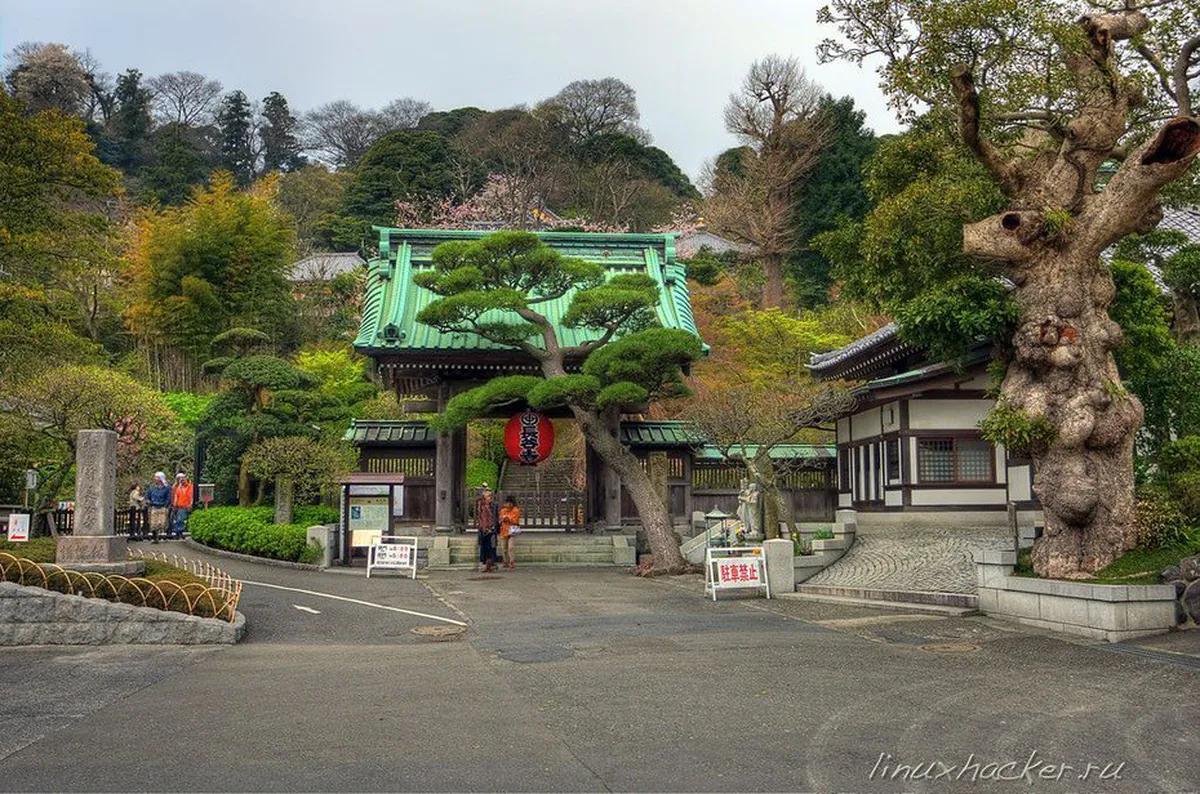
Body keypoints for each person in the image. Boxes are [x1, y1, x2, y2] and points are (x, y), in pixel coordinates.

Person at [474, 485, 500, 572]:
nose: (490, 498)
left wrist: (495, 527)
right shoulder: (481, 506)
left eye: (491, 496)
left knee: (492, 546)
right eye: (488, 496)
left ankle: (492, 563)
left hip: (492, 529)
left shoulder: (494, 505)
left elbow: (495, 517)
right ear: (484, 498)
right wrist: (485, 528)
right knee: (484, 547)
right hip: (484, 529)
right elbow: (481, 519)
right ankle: (484, 563)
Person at [145, 472, 171, 544]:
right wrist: (148, 501)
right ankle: (155, 538)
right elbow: (147, 496)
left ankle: (160, 535)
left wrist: (166, 505)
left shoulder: (167, 488)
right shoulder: (152, 487)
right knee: (153, 523)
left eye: (157, 477)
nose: (155, 479)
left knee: (161, 523)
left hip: (162, 507)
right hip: (154, 506)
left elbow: (168, 497)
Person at [498, 495, 521, 570]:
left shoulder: (516, 510)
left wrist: (508, 519)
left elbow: (516, 520)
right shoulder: (503, 510)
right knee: (503, 548)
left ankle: (512, 561)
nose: (508, 505)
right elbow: (500, 519)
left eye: (510, 503)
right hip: (503, 530)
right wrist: (503, 519)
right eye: (507, 503)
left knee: (510, 547)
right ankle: (505, 561)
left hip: (511, 530)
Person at [170, 472, 194, 539]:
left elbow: (191, 496)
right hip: (180, 506)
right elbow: (176, 496)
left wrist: (190, 504)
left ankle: (181, 532)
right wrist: (174, 505)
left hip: (187, 505)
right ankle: (178, 532)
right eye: (180, 479)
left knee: (183, 520)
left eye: (183, 479)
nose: (182, 480)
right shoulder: (178, 487)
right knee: (179, 519)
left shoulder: (190, 487)